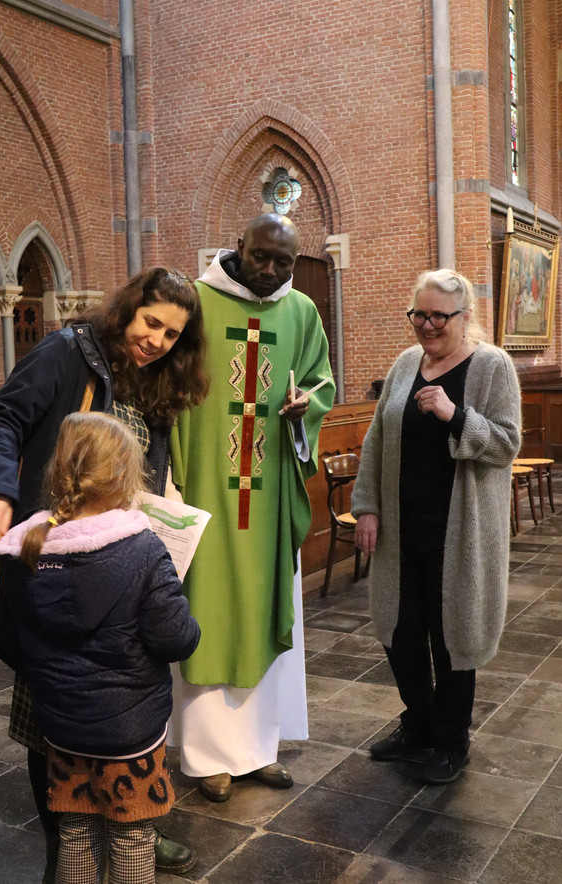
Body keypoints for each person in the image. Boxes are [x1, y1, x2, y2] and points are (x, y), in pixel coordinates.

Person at [0, 267, 209, 881]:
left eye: (172, 335)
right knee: (47, 715)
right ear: (127, 309)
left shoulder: (154, 378)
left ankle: (130, 828)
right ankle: (64, 847)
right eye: (150, 323)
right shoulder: (66, 353)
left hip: (125, 558)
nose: (157, 341)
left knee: (117, 705)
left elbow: (148, 463)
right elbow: (2, 423)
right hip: (56, 559)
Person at [168, 213, 335, 802]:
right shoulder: (198, 303)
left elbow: (321, 384)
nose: (270, 270)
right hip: (207, 485)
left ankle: (256, 750)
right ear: (239, 247)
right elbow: (168, 381)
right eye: (261, 256)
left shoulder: (302, 313)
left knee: (264, 610)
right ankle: (206, 755)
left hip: (267, 491)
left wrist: (302, 410)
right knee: (204, 610)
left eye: (283, 262)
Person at [0, 412, 200, 884]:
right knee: (130, 837)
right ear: (127, 476)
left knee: (76, 831)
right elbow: (176, 639)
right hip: (130, 735)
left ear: (57, 470)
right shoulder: (145, 550)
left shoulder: (22, 551)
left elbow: (10, 642)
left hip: (61, 728)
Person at [352, 269, 521, 785]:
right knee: (401, 634)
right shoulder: (406, 364)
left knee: (453, 639)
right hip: (402, 528)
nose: (427, 325)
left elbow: (507, 443)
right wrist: (367, 506)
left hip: (460, 532)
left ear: (464, 317)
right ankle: (418, 724)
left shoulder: (492, 366)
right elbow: (377, 441)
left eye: (439, 317)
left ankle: (450, 741)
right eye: (419, 315)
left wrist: (455, 415)